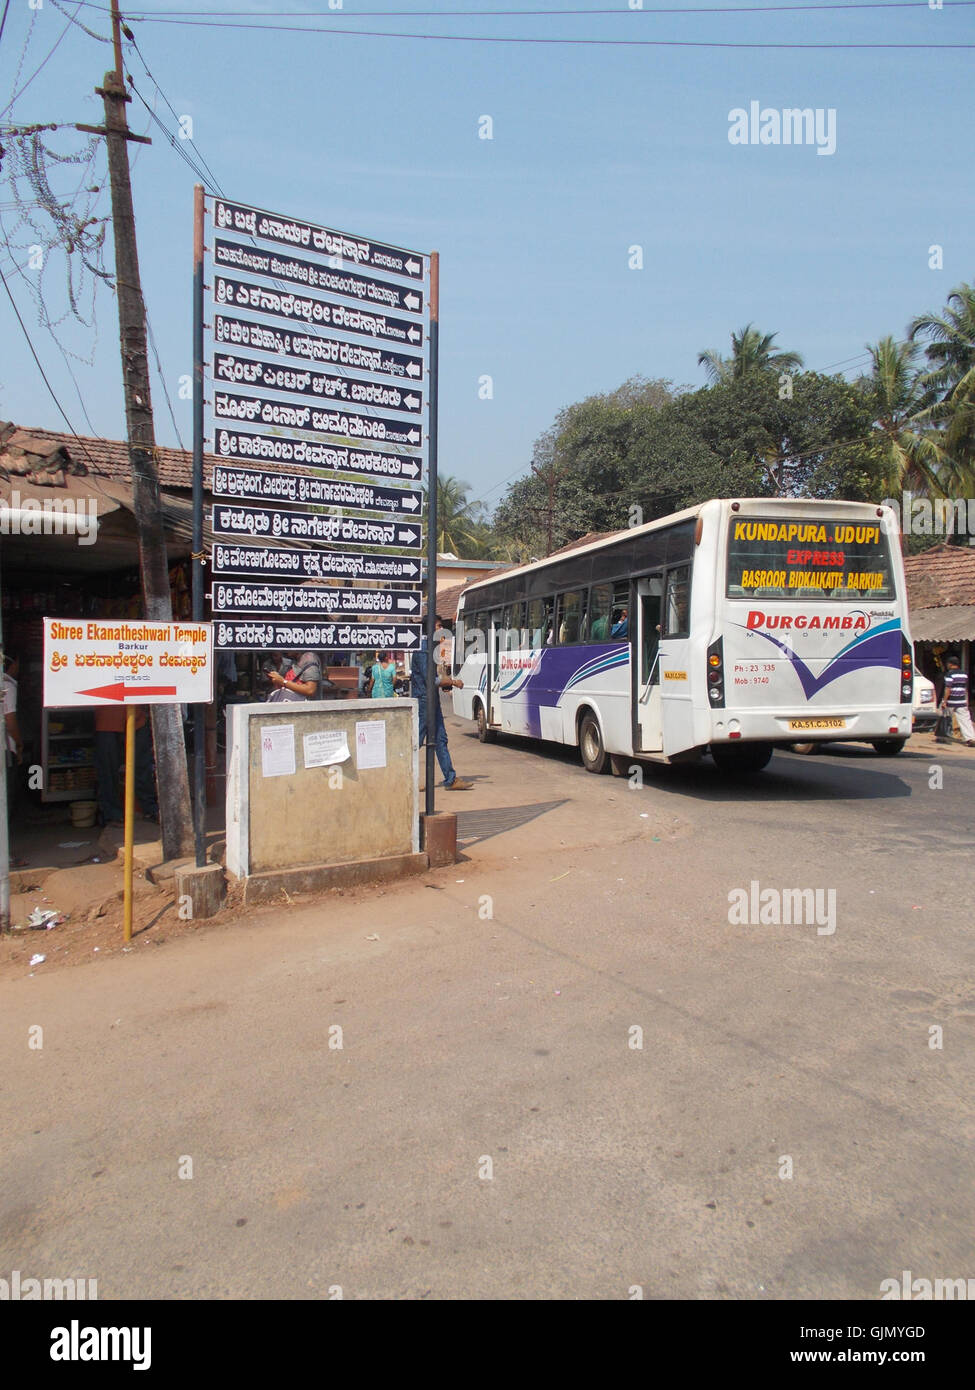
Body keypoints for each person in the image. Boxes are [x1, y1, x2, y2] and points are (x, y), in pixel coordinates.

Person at [411, 615, 473, 790]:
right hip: (424, 701)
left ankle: (450, 779)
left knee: (440, 739)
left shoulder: (431, 649)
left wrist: (446, 682)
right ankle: (408, 778)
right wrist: (453, 682)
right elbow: (432, 680)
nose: (441, 631)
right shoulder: (423, 650)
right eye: (438, 627)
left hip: (431, 700)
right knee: (416, 741)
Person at [94, 705, 158, 824]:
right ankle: (111, 814)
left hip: (136, 717)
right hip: (107, 719)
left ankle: (150, 808)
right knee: (108, 770)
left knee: (142, 767)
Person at [940, 655, 974, 746]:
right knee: (965, 720)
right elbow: (964, 688)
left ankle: (943, 737)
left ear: (950, 664)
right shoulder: (964, 674)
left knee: (945, 719)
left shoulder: (949, 674)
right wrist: (966, 700)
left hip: (951, 701)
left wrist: (944, 701)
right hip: (961, 701)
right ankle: (970, 738)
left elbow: (948, 688)